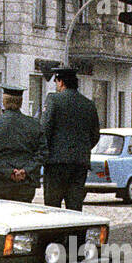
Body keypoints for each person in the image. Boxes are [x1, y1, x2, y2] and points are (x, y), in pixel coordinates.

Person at [40, 66, 101, 211]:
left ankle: (55, 234)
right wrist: (81, 148)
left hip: (56, 163)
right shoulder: (88, 104)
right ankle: (73, 235)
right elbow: (95, 135)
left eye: (56, 81)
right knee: (74, 207)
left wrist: (46, 153)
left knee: (53, 207)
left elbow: (44, 130)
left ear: (60, 82)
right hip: (79, 163)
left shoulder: (53, 100)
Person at [0, 86, 47, 202]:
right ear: (21, 102)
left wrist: (8, 171)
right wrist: (25, 170)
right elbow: (42, 152)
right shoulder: (34, 124)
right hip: (26, 182)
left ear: (4, 102)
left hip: (1, 181)